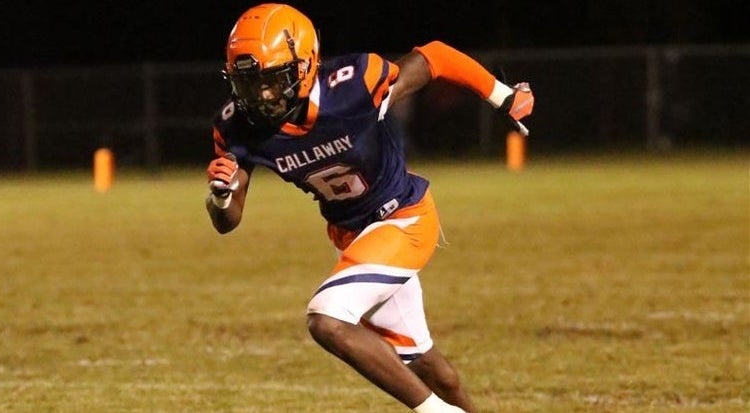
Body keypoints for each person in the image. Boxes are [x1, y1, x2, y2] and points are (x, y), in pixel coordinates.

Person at [205, 4, 534, 412]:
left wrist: (503, 96)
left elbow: (436, 57)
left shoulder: (353, 85)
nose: (263, 96)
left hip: (403, 218)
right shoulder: (236, 126)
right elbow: (227, 220)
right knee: (427, 367)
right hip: (353, 239)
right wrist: (221, 195)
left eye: (272, 80)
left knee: (327, 318)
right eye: (248, 84)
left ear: (305, 65)